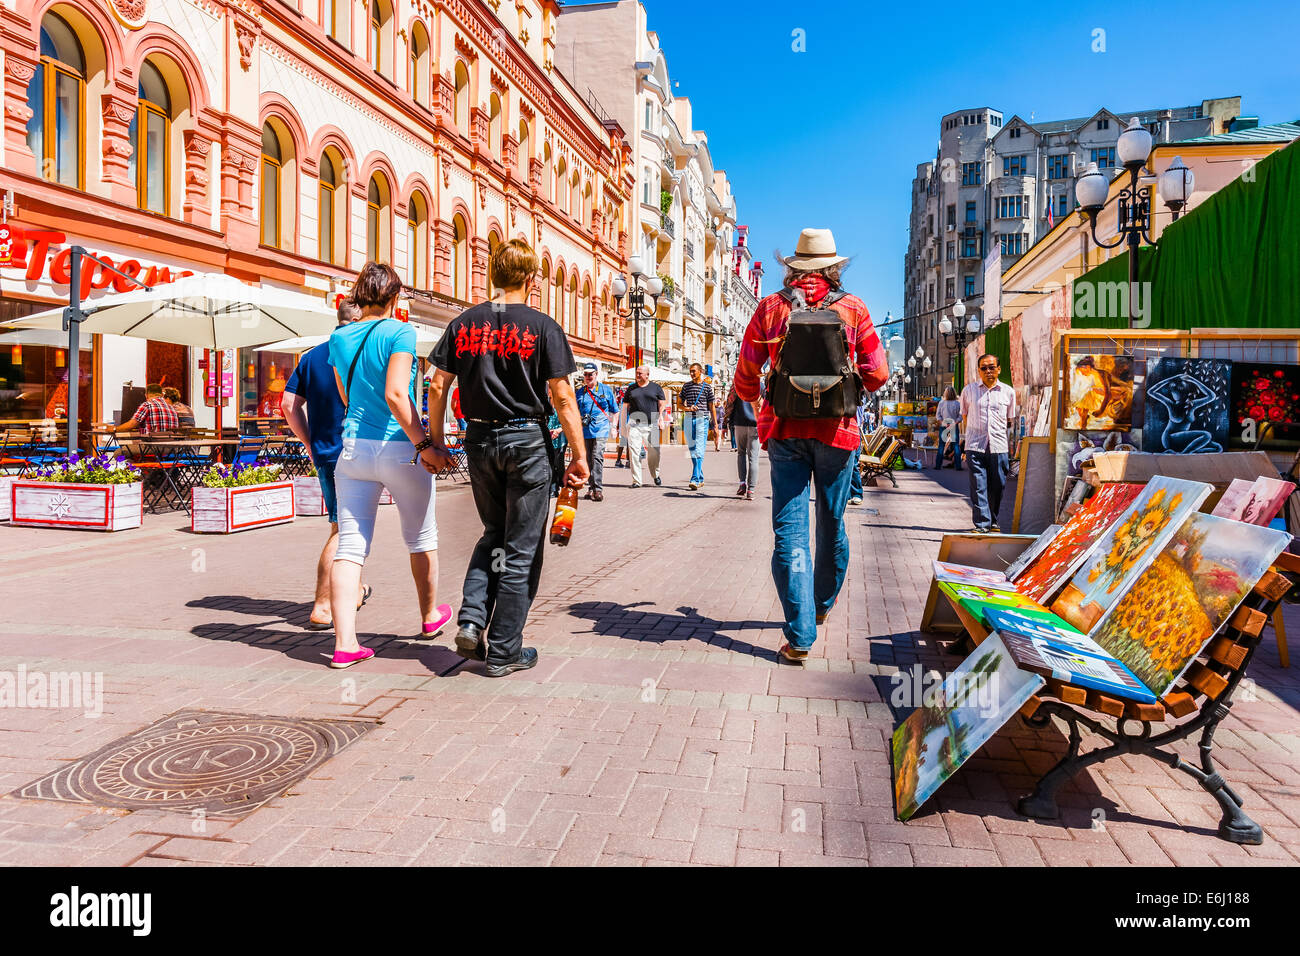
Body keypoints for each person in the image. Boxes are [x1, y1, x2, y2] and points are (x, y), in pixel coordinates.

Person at [425, 239, 588, 677]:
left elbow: (437, 386)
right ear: (532, 280)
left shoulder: (464, 324)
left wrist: (434, 444)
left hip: (479, 441)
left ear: (491, 275)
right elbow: (562, 395)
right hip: (527, 443)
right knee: (520, 549)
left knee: (492, 533)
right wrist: (579, 455)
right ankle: (503, 650)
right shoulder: (543, 326)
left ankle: (472, 619)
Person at [734, 228, 889, 665]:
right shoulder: (853, 308)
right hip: (839, 432)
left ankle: (799, 633)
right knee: (831, 522)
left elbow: (746, 371)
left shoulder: (770, 308)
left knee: (789, 530)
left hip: (784, 430)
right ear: (834, 267)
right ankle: (821, 604)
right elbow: (878, 373)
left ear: (792, 265)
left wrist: (762, 394)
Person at [325, 263, 453, 669]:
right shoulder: (400, 332)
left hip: (353, 449)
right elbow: (397, 394)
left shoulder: (340, 336)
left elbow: (346, 392)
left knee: (349, 545)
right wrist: (426, 444)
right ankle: (430, 616)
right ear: (395, 297)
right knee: (421, 536)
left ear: (360, 295)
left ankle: (345, 643)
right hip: (398, 448)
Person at [283, 297, 369, 630]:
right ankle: (322, 604)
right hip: (356, 451)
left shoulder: (313, 355)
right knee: (343, 528)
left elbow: (288, 404)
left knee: (349, 527)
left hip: (323, 451)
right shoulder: (361, 352)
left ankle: (354, 589)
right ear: (360, 316)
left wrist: (307, 440)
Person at [960, 353, 1018, 533]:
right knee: (978, 486)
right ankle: (982, 524)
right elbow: (964, 417)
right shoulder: (968, 391)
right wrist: (964, 444)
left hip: (999, 446)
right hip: (975, 445)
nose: (988, 371)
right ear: (978, 370)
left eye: (991, 367)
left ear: (999, 369)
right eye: (983, 368)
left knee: (998, 486)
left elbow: (1010, 420)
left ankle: (993, 521)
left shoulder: (1008, 392)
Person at [575, 363, 618, 501]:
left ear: (596, 374)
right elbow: (574, 412)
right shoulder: (580, 392)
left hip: (601, 429)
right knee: (588, 460)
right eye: (585, 374)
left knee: (597, 457)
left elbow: (615, 411)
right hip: (585, 430)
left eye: (590, 374)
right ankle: (591, 487)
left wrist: (614, 427)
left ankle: (598, 489)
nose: (587, 377)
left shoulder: (605, 390)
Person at [622, 366, 666, 488]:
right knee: (634, 453)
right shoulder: (631, 388)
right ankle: (637, 481)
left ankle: (655, 475)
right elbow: (625, 406)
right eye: (637, 373)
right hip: (634, 424)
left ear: (647, 375)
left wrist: (661, 418)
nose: (638, 375)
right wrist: (622, 424)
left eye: (640, 373)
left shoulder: (655, 388)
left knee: (654, 453)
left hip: (652, 424)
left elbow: (662, 403)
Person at [681, 363, 716, 490]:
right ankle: (700, 478)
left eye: (693, 371)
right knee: (692, 449)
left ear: (700, 371)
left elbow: (712, 406)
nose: (691, 374)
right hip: (689, 418)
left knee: (699, 449)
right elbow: (680, 403)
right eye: (690, 371)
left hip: (702, 418)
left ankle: (695, 479)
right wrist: (688, 408)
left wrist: (716, 425)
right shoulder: (686, 386)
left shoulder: (707, 387)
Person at [726, 384, 760, 501]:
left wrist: (727, 419)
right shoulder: (760, 385)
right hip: (755, 423)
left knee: (741, 453)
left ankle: (742, 483)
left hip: (739, 422)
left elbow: (730, 403)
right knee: (753, 458)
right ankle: (751, 490)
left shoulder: (737, 385)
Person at [112, 383, 178, 434]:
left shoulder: (147, 405)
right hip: (170, 449)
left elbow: (132, 425)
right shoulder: (171, 408)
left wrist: (114, 429)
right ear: (162, 395)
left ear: (146, 395)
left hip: (152, 448)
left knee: (120, 451)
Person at [935, 385, 962, 470]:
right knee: (956, 446)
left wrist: (943, 423)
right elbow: (960, 416)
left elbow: (938, 416)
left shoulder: (941, 403)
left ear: (945, 393)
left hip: (944, 425)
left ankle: (938, 465)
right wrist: (955, 423)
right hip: (953, 424)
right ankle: (958, 466)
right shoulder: (957, 403)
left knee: (941, 446)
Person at [848, 397, 870, 505]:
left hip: (853, 432)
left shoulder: (858, 396)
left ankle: (857, 493)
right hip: (852, 431)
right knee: (848, 465)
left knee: (852, 465)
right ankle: (849, 494)